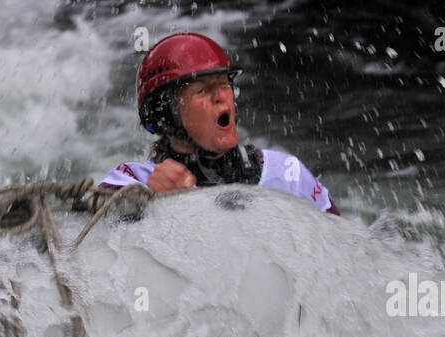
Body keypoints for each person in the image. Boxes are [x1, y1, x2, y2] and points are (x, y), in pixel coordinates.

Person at [100, 32, 339, 215]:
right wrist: (151, 203)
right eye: (202, 90)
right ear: (165, 115)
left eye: (224, 84)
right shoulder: (133, 180)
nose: (221, 96)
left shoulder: (287, 174)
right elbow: (90, 228)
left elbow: (348, 252)